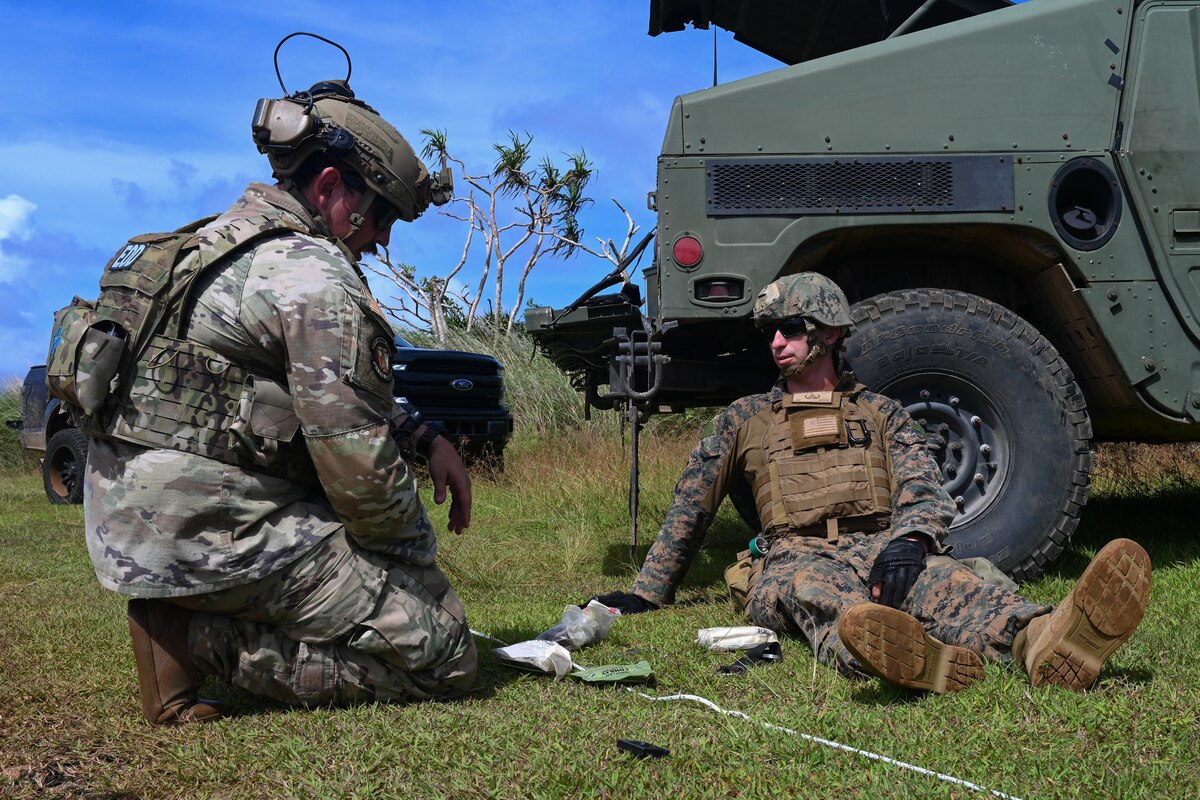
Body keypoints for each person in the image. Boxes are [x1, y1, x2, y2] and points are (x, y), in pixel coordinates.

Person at [72, 75, 477, 723]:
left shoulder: (211, 244)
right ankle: (193, 638)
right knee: (443, 650)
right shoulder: (312, 273)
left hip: (134, 528)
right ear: (330, 187)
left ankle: (190, 615)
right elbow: (359, 469)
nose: (382, 240)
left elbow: (294, 391)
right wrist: (413, 562)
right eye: (381, 217)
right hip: (212, 535)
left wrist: (424, 438)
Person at [592, 273, 1151, 694]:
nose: (778, 342)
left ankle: (1042, 640)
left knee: (954, 585)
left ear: (830, 333)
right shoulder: (744, 419)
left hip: (882, 544)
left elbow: (922, 486)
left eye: (792, 328)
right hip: (796, 553)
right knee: (821, 597)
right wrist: (648, 592)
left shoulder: (882, 413)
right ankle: (901, 655)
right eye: (771, 332)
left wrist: (910, 542)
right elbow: (691, 507)